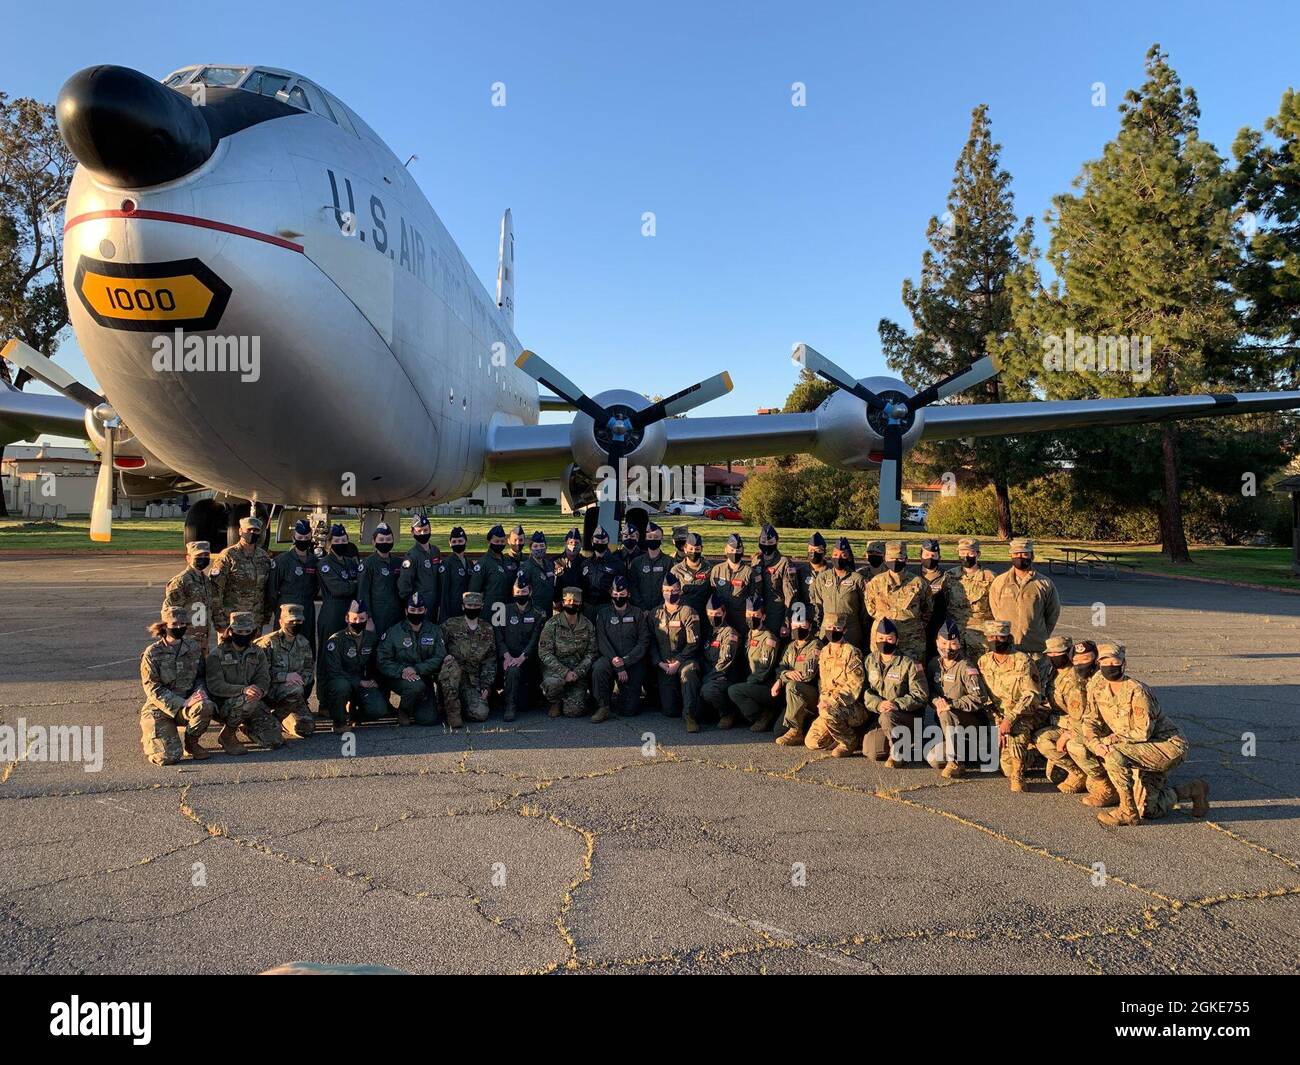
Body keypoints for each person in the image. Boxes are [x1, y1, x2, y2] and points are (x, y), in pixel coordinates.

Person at [1080, 643, 1209, 826]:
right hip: (1136, 748)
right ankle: (1193, 790)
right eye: (1105, 661)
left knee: (1114, 755)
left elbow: (1142, 732)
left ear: (1124, 663)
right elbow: (1090, 719)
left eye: (1114, 661)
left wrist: (1110, 741)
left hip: (1166, 746)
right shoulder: (1097, 685)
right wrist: (1094, 743)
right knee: (1150, 810)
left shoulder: (1137, 690)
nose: (1110, 666)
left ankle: (1127, 811)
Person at [139, 605, 215, 765]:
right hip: (160, 708)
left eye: (182, 624)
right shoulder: (153, 653)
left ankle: (191, 742)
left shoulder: (193, 647)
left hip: (188, 704)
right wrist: (182, 702)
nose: (179, 627)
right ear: (164, 626)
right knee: (168, 757)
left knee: (206, 705)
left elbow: (200, 676)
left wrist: (199, 693)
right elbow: (153, 689)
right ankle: (153, 737)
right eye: (174, 624)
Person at [977, 619, 1042, 792]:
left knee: (1015, 736)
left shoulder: (1022, 661)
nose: (996, 640)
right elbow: (985, 696)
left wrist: (1009, 719)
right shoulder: (983, 662)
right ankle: (1032, 754)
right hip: (998, 717)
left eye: (1001, 637)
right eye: (991, 637)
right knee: (1005, 767)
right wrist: (999, 723)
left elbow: (1032, 695)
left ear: (1008, 638)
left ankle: (1018, 775)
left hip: (1022, 715)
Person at [205, 611, 283, 755]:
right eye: (239, 631)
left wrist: (259, 690)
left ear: (253, 632)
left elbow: (263, 678)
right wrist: (244, 690)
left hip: (252, 701)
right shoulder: (217, 654)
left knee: (274, 740)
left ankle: (246, 726)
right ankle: (227, 735)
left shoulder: (257, 652)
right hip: (225, 704)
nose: (243, 634)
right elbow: (215, 686)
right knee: (248, 699)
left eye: (247, 631)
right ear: (230, 631)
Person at [924, 619, 990, 778]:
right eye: (944, 643)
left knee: (948, 712)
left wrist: (951, 704)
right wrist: (936, 702)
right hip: (951, 730)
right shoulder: (934, 664)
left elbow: (979, 697)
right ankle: (964, 752)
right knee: (934, 759)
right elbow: (930, 692)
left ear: (960, 644)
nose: (948, 648)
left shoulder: (966, 667)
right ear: (937, 642)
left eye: (953, 643)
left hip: (970, 722)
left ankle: (956, 762)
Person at [377, 591, 454, 727]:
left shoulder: (434, 630)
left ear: (425, 610)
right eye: (412, 610)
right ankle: (404, 712)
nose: (416, 613)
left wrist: (417, 669)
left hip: (423, 676)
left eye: (420, 610)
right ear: (406, 611)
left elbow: (439, 657)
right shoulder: (394, 632)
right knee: (415, 687)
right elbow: (383, 660)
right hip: (399, 677)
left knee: (428, 719)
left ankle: (414, 704)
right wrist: (402, 671)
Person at [861, 618, 929, 765]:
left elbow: (921, 695)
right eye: (880, 638)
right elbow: (865, 689)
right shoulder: (870, 661)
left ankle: (899, 753)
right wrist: (878, 704)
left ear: (897, 640)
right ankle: (900, 740)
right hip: (881, 715)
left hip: (904, 716)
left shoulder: (909, 663)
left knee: (888, 716)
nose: (884, 641)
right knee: (873, 751)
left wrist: (896, 704)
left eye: (889, 638)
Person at [1029, 635, 1088, 792]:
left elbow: (1081, 715)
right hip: (1057, 719)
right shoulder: (1054, 671)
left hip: (1076, 725)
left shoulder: (1074, 678)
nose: (1054, 657)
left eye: (1059, 653)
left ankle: (1078, 773)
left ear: (1069, 653)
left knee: (1042, 740)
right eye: (1051, 654)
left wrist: (1068, 734)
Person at [319, 600, 388, 731]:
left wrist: (374, 680)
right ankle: (339, 722)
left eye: (361, 618)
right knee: (340, 686)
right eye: (354, 618)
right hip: (343, 681)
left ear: (367, 618)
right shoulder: (336, 640)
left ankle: (354, 715)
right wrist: (359, 682)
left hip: (363, 683)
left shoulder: (371, 638)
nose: (357, 622)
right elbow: (333, 671)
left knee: (379, 710)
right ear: (347, 618)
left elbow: (377, 663)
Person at [804, 612, 866, 756]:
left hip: (851, 706)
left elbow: (854, 685)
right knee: (812, 742)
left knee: (828, 713)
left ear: (844, 631)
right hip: (828, 705)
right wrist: (823, 700)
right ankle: (837, 734)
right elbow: (823, 683)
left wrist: (831, 701)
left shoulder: (851, 652)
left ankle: (849, 741)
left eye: (837, 629)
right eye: (830, 627)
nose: (833, 631)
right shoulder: (825, 651)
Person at [647, 573, 702, 730]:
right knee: (669, 711)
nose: (670, 594)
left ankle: (690, 716)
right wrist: (659, 663)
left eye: (674, 590)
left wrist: (678, 662)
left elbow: (693, 643)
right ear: (662, 590)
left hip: (685, 659)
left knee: (688, 673)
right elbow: (650, 642)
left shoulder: (688, 612)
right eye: (666, 590)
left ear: (680, 591)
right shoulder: (655, 613)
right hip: (664, 664)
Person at [988, 537, 1060, 656]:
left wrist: (1041, 633)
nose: (1020, 557)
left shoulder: (1044, 583)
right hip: (1007, 648)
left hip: (1035, 648)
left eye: (1025, 554)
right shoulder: (1000, 582)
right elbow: (995, 610)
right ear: (1011, 556)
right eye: (1016, 554)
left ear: (1032, 556)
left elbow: (1052, 613)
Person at [592, 575, 650, 722]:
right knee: (599, 667)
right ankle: (603, 706)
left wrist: (625, 661)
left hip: (632, 661)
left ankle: (625, 697)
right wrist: (616, 662)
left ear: (628, 594)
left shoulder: (637, 613)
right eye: (615, 594)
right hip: (611, 659)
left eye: (622, 595)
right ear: (611, 594)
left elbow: (643, 642)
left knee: (629, 710)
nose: (618, 597)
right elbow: (602, 641)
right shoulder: (603, 614)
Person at [255, 603, 317, 740]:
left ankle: (282, 719)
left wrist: (299, 680)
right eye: (291, 621)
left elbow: (308, 670)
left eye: (298, 621)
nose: (295, 624)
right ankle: (266, 720)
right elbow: (259, 675)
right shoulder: (267, 643)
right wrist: (285, 677)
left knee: (305, 728)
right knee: (295, 690)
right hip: (269, 692)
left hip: (292, 695)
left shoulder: (303, 643)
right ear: (281, 621)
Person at [865, 540, 933, 663]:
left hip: (912, 639)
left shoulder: (918, 583)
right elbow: (871, 608)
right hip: (883, 638)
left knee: (914, 674)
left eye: (900, 559)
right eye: (891, 558)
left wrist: (912, 625)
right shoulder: (875, 582)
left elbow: (927, 610)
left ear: (906, 559)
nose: (895, 562)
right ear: (885, 559)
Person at [726, 597, 783, 732]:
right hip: (751, 682)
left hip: (764, 685)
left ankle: (763, 715)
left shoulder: (769, 639)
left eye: (756, 615)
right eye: (749, 615)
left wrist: (746, 683)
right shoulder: (749, 634)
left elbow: (763, 670)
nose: (752, 618)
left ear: (763, 617)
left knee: (734, 690)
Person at [539, 587, 597, 718]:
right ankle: (555, 702)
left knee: (573, 712)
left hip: (578, 672)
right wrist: (565, 672)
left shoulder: (588, 625)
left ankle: (573, 698)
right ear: (563, 603)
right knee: (552, 684)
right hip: (556, 671)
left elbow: (591, 653)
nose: (572, 604)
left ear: (580, 604)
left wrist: (578, 672)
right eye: (568, 601)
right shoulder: (552, 624)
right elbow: (544, 653)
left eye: (575, 601)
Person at [442, 591, 498, 723]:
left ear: (481, 606)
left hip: (472, 680)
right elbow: (438, 645)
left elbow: (490, 660)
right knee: (450, 669)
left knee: (481, 714)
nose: (472, 608)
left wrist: (486, 685)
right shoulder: (450, 625)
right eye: (469, 605)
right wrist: (445, 657)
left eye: (475, 605)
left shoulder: (487, 629)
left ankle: (464, 705)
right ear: (463, 606)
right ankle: (452, 712)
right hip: (452, 675)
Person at [211, 515, 273, 632]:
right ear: (240, 531)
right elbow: (216, 588)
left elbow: (266, 588)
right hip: (232, 619)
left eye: (256, 530)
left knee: (253, 650)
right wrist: (219, 618)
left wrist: (266, 614)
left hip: (255, 620)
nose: (252, 533)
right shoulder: (228, 555)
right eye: (248, 530)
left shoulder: (264, 557)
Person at [496, 573, 545, 721]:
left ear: (530, 591)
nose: (520, 594)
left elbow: (536, 639)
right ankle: (509, 706)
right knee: (512, 669)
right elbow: (498, 635)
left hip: (529, 660)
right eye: (517, 592)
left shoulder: (539, 613)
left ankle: (526, 696)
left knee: (525, 705)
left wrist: (523, 657)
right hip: (508, 659)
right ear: (513, 592)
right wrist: (506, 655)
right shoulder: (503, 610)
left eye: (523, 592)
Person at [316, 524, 361, 682]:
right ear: (330, 543)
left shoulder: (351, 562)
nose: (341, 543)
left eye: (344, 540)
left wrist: (352, 584)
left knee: (349, 654)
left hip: (350, 613)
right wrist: (354, 584)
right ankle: (323, 700)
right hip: (332, 613)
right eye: (337, 540)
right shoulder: (325, 564)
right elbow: (338, 589)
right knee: (327, 655)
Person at [268, 519, 320, 652]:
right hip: (286, 608)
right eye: (300, 537)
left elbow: (316, 587)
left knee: (305, 644)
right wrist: (279, 610)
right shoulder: (281, 560)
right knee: (283, 644)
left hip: (307, 608)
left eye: (306, 538)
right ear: (294, 538)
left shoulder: (314, 561)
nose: (303, 540)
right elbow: (272, 590)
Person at [810, 537, 870, 648]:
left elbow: (865, 610)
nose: (839, 558)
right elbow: (817, 605)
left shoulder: (857, 579)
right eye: (836, 555)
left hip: (850, 632)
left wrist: (865, 633)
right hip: (827, 631)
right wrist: (817, 629)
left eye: (843, 555)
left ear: (849, 557)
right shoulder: (822, 578)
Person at [773, 613, 821, 747]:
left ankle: (796, 731)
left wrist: (786, 677)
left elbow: (807, 675)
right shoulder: (790, 647)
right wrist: (784, 676)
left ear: (809, 626)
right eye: (795, 626)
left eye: (802, 626)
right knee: (778, 732)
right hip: (795, 698)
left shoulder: (815, 645)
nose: (799, 629)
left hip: (811, 694)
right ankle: (802, 723)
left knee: (793, 686)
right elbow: (780, 668)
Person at [163, 540, 217, 655]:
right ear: (188, 558)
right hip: (186, 638)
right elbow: (170, 612)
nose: (203, 558)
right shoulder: (181, 581)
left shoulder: (206, 580)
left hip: (203, 638)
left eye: (206, 555)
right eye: (198, 556)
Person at [944, 537, 995, 657]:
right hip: (955, 635)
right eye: (962, 553)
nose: (966, 557)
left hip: (981, 636)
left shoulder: (990, 578)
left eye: (970, 553)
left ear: (978, 554)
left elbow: (998, 608)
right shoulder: (950, 576)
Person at [698, 594, 742, 726]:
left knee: (708, 690)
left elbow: (725, 662)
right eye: (710, 613)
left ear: (723, 614)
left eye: (717, 613)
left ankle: (728, 713)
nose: (713, 616)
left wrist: (706, 678)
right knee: (697, 715)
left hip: (725, 677)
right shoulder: (708, 631)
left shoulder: (730, 633)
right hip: (709, 676)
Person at [753, 524, 799, 638]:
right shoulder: (756, 560)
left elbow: (790, 595)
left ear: (776, 542)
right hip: (758, 613)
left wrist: (786, 621)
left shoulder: (784, 563)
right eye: (763, 541)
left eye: (770, 542)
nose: (766, 544)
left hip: (776, 613)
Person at [359, 522, 403, 638]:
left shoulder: (398, 563)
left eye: (388, 539)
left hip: (396, 613)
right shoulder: (368, 564)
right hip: (377, 614)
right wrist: (368, 617)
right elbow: (363, 593)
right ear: (374, 542)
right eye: (381, 539)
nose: (385, 542)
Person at [709, 533, 756, 633]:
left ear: (742, 551)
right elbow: (712, 593)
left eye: (738, 550)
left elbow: (753, 596)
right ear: (725, 550)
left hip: (740, 618)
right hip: (721, 618)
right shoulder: (717, 570)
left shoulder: (749, 572)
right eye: (731, 550)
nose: (735, 553)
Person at [470, 524, 519, 619]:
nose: (500, 544)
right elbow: (474, 590)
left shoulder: (508, 560)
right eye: (496, 541)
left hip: (508, 609)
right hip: (490, 610)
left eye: (502, 541)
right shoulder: (483, 563)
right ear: (489, 542)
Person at [398, 514, 441, 619]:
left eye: (426, 530)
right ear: (413, 532)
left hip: (435, 603)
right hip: (419, 606)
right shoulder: (411, 556)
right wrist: (412, 604)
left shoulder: (435, 551)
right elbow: (404, 584)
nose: (423, 533)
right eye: (419, 531)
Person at [581, 525, 625, 621]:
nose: (600, 543)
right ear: (592, 542)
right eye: (597, 542)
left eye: (603, 542)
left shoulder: (617, 564)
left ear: (607, 542)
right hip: (588, 606)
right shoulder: (585, 563)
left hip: (607, 605)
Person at [670, 531, 713, 624]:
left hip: (704, 616)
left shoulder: (710, 569)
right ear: (685, 549)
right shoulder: (676, 571)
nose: (694, 552)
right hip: (683, 617)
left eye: (697, 549)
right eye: (691, 549)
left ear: (701, 549)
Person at [628, 522, 671, 612]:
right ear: (645, 538)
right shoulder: (637, 562)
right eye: (650, 537)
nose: (653, 539)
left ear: (661, 539)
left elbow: (671, 587)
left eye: (656, 537)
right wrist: (643, 609)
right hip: (640, 611)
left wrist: (659, 608)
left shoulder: (669, 562)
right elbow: (633, 587)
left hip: (662, 610)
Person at [793, 532, 830, 634]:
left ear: (824, 552)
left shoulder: (831, 573)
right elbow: (796, 598)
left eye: (818, 550)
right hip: (806, 619)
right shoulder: (800, 572)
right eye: (811, 550)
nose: (813, 553)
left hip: (826, 620)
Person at [918, 538, 947, 663]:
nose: (930, 558)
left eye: (933, 555)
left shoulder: (947, 577)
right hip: (918, 629)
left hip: (939, 627)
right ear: (921, 556)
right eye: (926, 555)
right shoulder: (912, 576)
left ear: (939, 557)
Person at [519, 531, 556, 617]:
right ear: (530, 548)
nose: (539, 549)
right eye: (535, 546)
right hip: (533, 609)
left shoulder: (550, 565)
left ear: (546, 547)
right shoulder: (526, 567)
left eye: (542, 546)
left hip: (548, 608)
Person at [439, 526, 472, 622]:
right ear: (450, 543)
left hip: (467, 609)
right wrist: (444, 617)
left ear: (466, 541)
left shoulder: (469, 563)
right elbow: (444, 592)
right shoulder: (447, 564)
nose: (457, 544)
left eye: (460, 541)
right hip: (452, 610)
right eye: (454, 541)